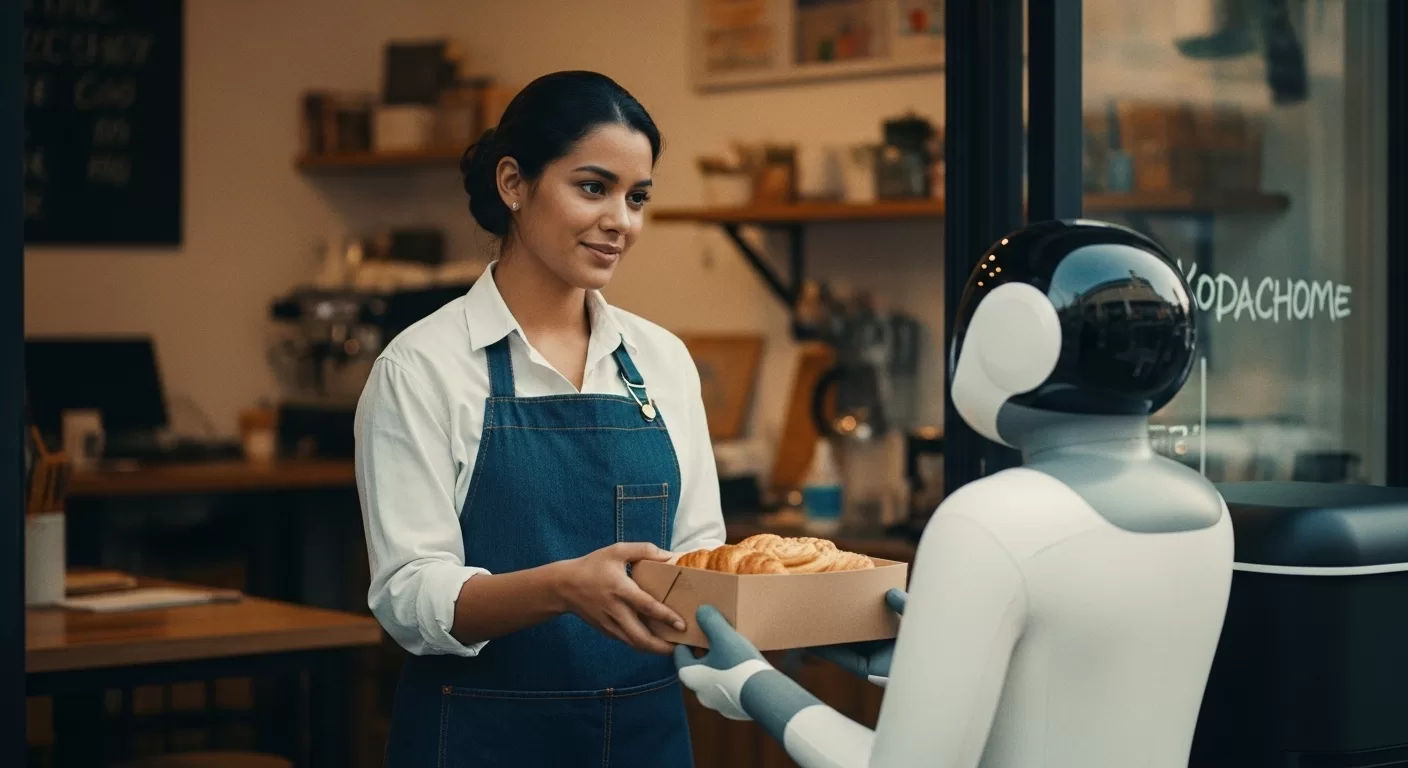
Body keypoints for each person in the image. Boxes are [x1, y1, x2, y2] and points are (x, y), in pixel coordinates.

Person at [675, 220, 1234, 768]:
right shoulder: (1206, 510)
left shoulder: (989, 519)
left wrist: (752, 684)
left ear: (1008, 338)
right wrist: (926, 656)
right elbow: (1087, 681)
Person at [354, 70, 726, 767]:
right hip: (478, 740)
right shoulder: (423, 367)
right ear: (513, 183)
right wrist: (562, 588)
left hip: (646, 739)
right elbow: (409, 595)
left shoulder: (663, 362)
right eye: (593, 187)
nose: (622, 220)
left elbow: (698, 555)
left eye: (637, 196)